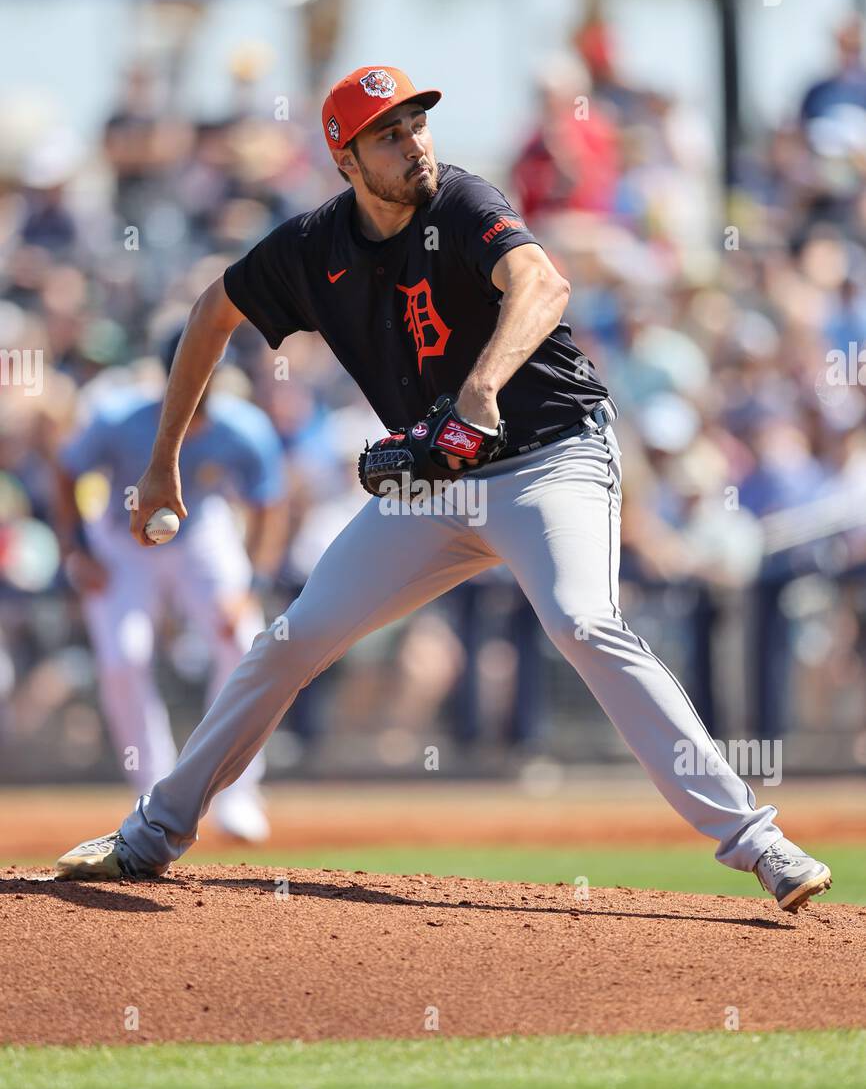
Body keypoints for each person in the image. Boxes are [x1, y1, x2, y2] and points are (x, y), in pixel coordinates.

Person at [56, 64, 832, 914]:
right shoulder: (314, 249)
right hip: (435, 485)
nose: (413, 141)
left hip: (550, 458)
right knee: (289, 639)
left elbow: (544, 283)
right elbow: (212, 312)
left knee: (581, 622)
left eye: (417, 123)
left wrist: (483, 386)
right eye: (388, 134)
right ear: (346, 158)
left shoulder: (461, 202)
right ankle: (149, 836)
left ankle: (760, 844)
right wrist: (164, 456)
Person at [54, 329, 286, 841]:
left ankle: (237, 794)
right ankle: (154, 796)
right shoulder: (119, 417)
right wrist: (77, 551)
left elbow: (269, 503)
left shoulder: (243, 426)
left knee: (244, 642)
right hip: (122, 541)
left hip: (204, 535)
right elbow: (65, 470)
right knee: (123, 658)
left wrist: (252, 581)